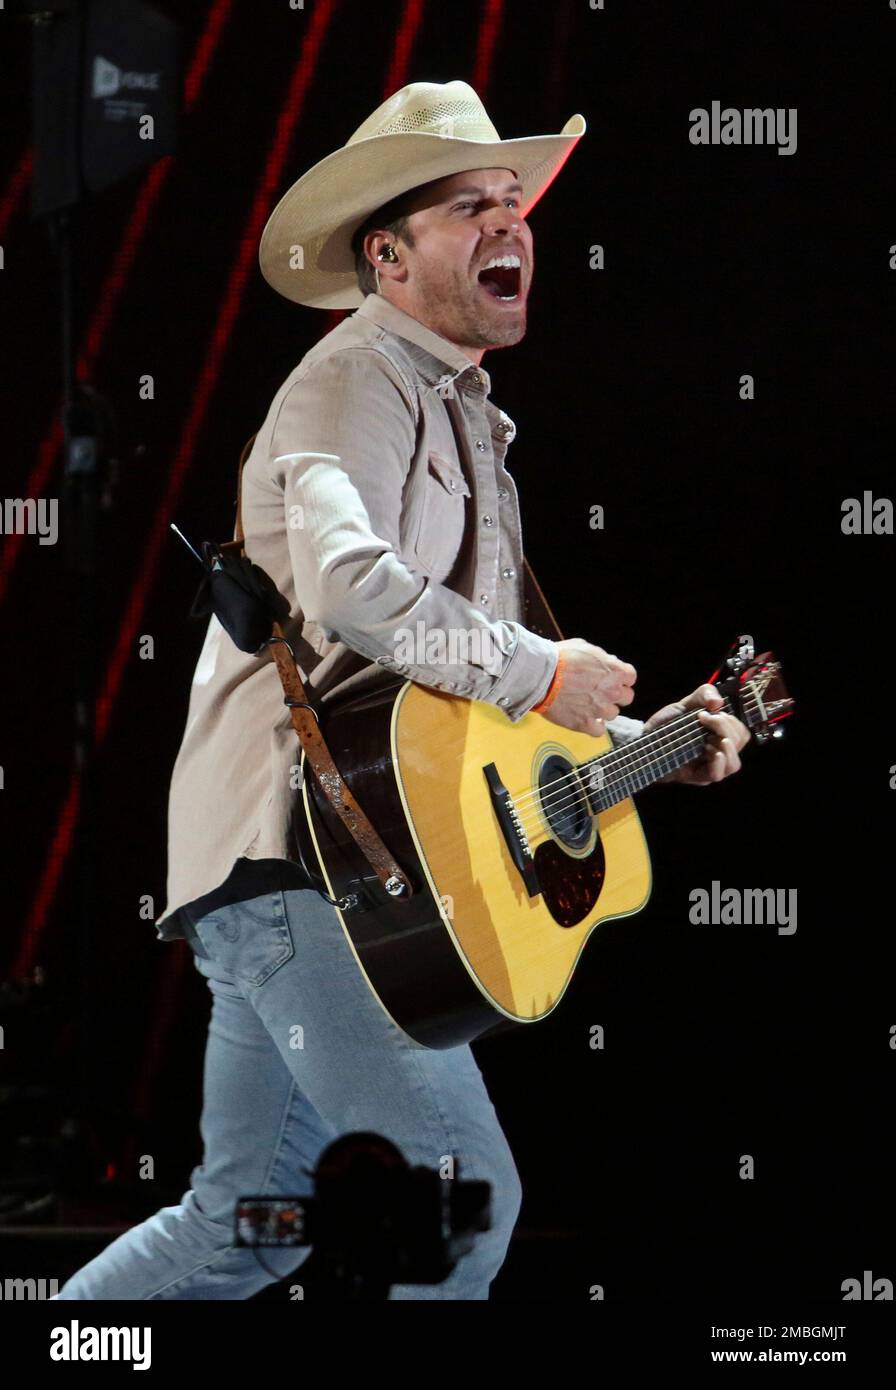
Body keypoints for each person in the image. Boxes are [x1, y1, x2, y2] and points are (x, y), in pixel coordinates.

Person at [55, 79, 749, 1301]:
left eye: (514, 202)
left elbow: (467, 694)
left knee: (244, 1224)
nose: (510, 224)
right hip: (302, 865)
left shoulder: (471, 419)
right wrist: (547, 667)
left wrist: (647, 740)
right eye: (470, 204)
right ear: (386, 253)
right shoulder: (351, 381)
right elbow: (351, 588)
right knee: (458, 1197)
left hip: (334, 869)